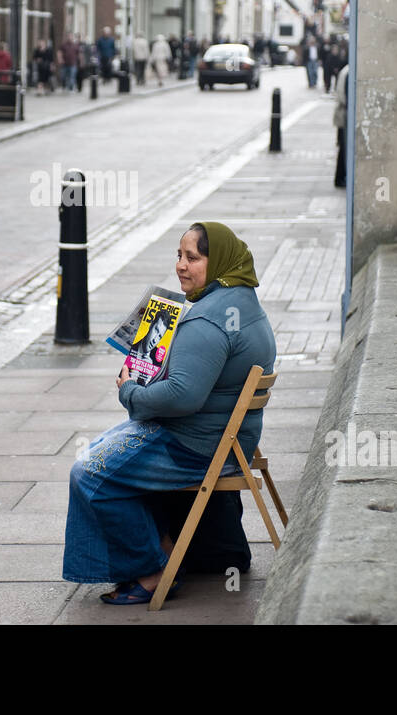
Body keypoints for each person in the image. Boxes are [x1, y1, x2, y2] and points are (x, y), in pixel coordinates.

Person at [64, 221, 276, 604]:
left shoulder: (207, 319)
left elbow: (182, 396)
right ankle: (162, 548)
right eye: (179, 255)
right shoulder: (242, 300)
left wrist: (130, 391)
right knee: (100, 447)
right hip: (228, 438)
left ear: (219, 261)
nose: (181, 265)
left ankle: (152, 570)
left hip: (196, 444)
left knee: (89, 472)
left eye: (192, 258)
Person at [334, 63, 349, 188]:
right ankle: (340, 178)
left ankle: (340, 177)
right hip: (344, 114)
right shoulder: (349, 72)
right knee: (345, 148)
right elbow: (346, 98)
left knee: (343, 147)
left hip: (342, 113)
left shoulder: (346, 70)